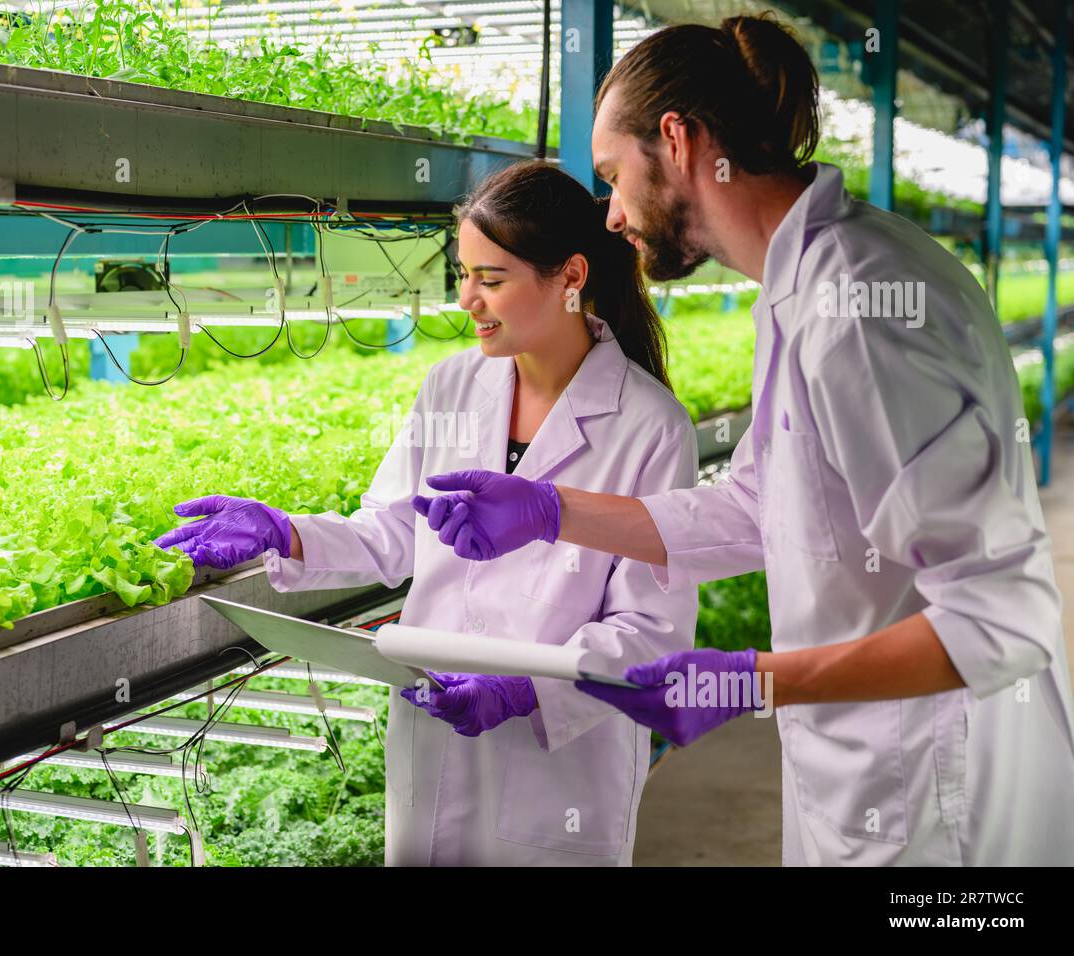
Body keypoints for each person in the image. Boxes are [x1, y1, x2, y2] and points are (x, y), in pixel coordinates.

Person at [412, 15, 1074, 866]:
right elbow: (760, 507)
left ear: (679, 142)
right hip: (868, 777)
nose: (609, 216)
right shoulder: (802, 287)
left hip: (941, 801)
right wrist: (551, 510)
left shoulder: (858, 310)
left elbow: (1002, 617)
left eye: (614, 176)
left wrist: (752, 680)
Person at [155, 160, 698, 865]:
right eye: (463, 274)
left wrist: (525, 689)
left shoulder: (649, 428)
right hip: (433, 730)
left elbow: (651, 634)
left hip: (557, 769)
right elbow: (395, 528)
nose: (467, 299)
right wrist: (286, 533)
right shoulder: (452, 387)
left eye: (491, 279)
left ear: (569, 277)